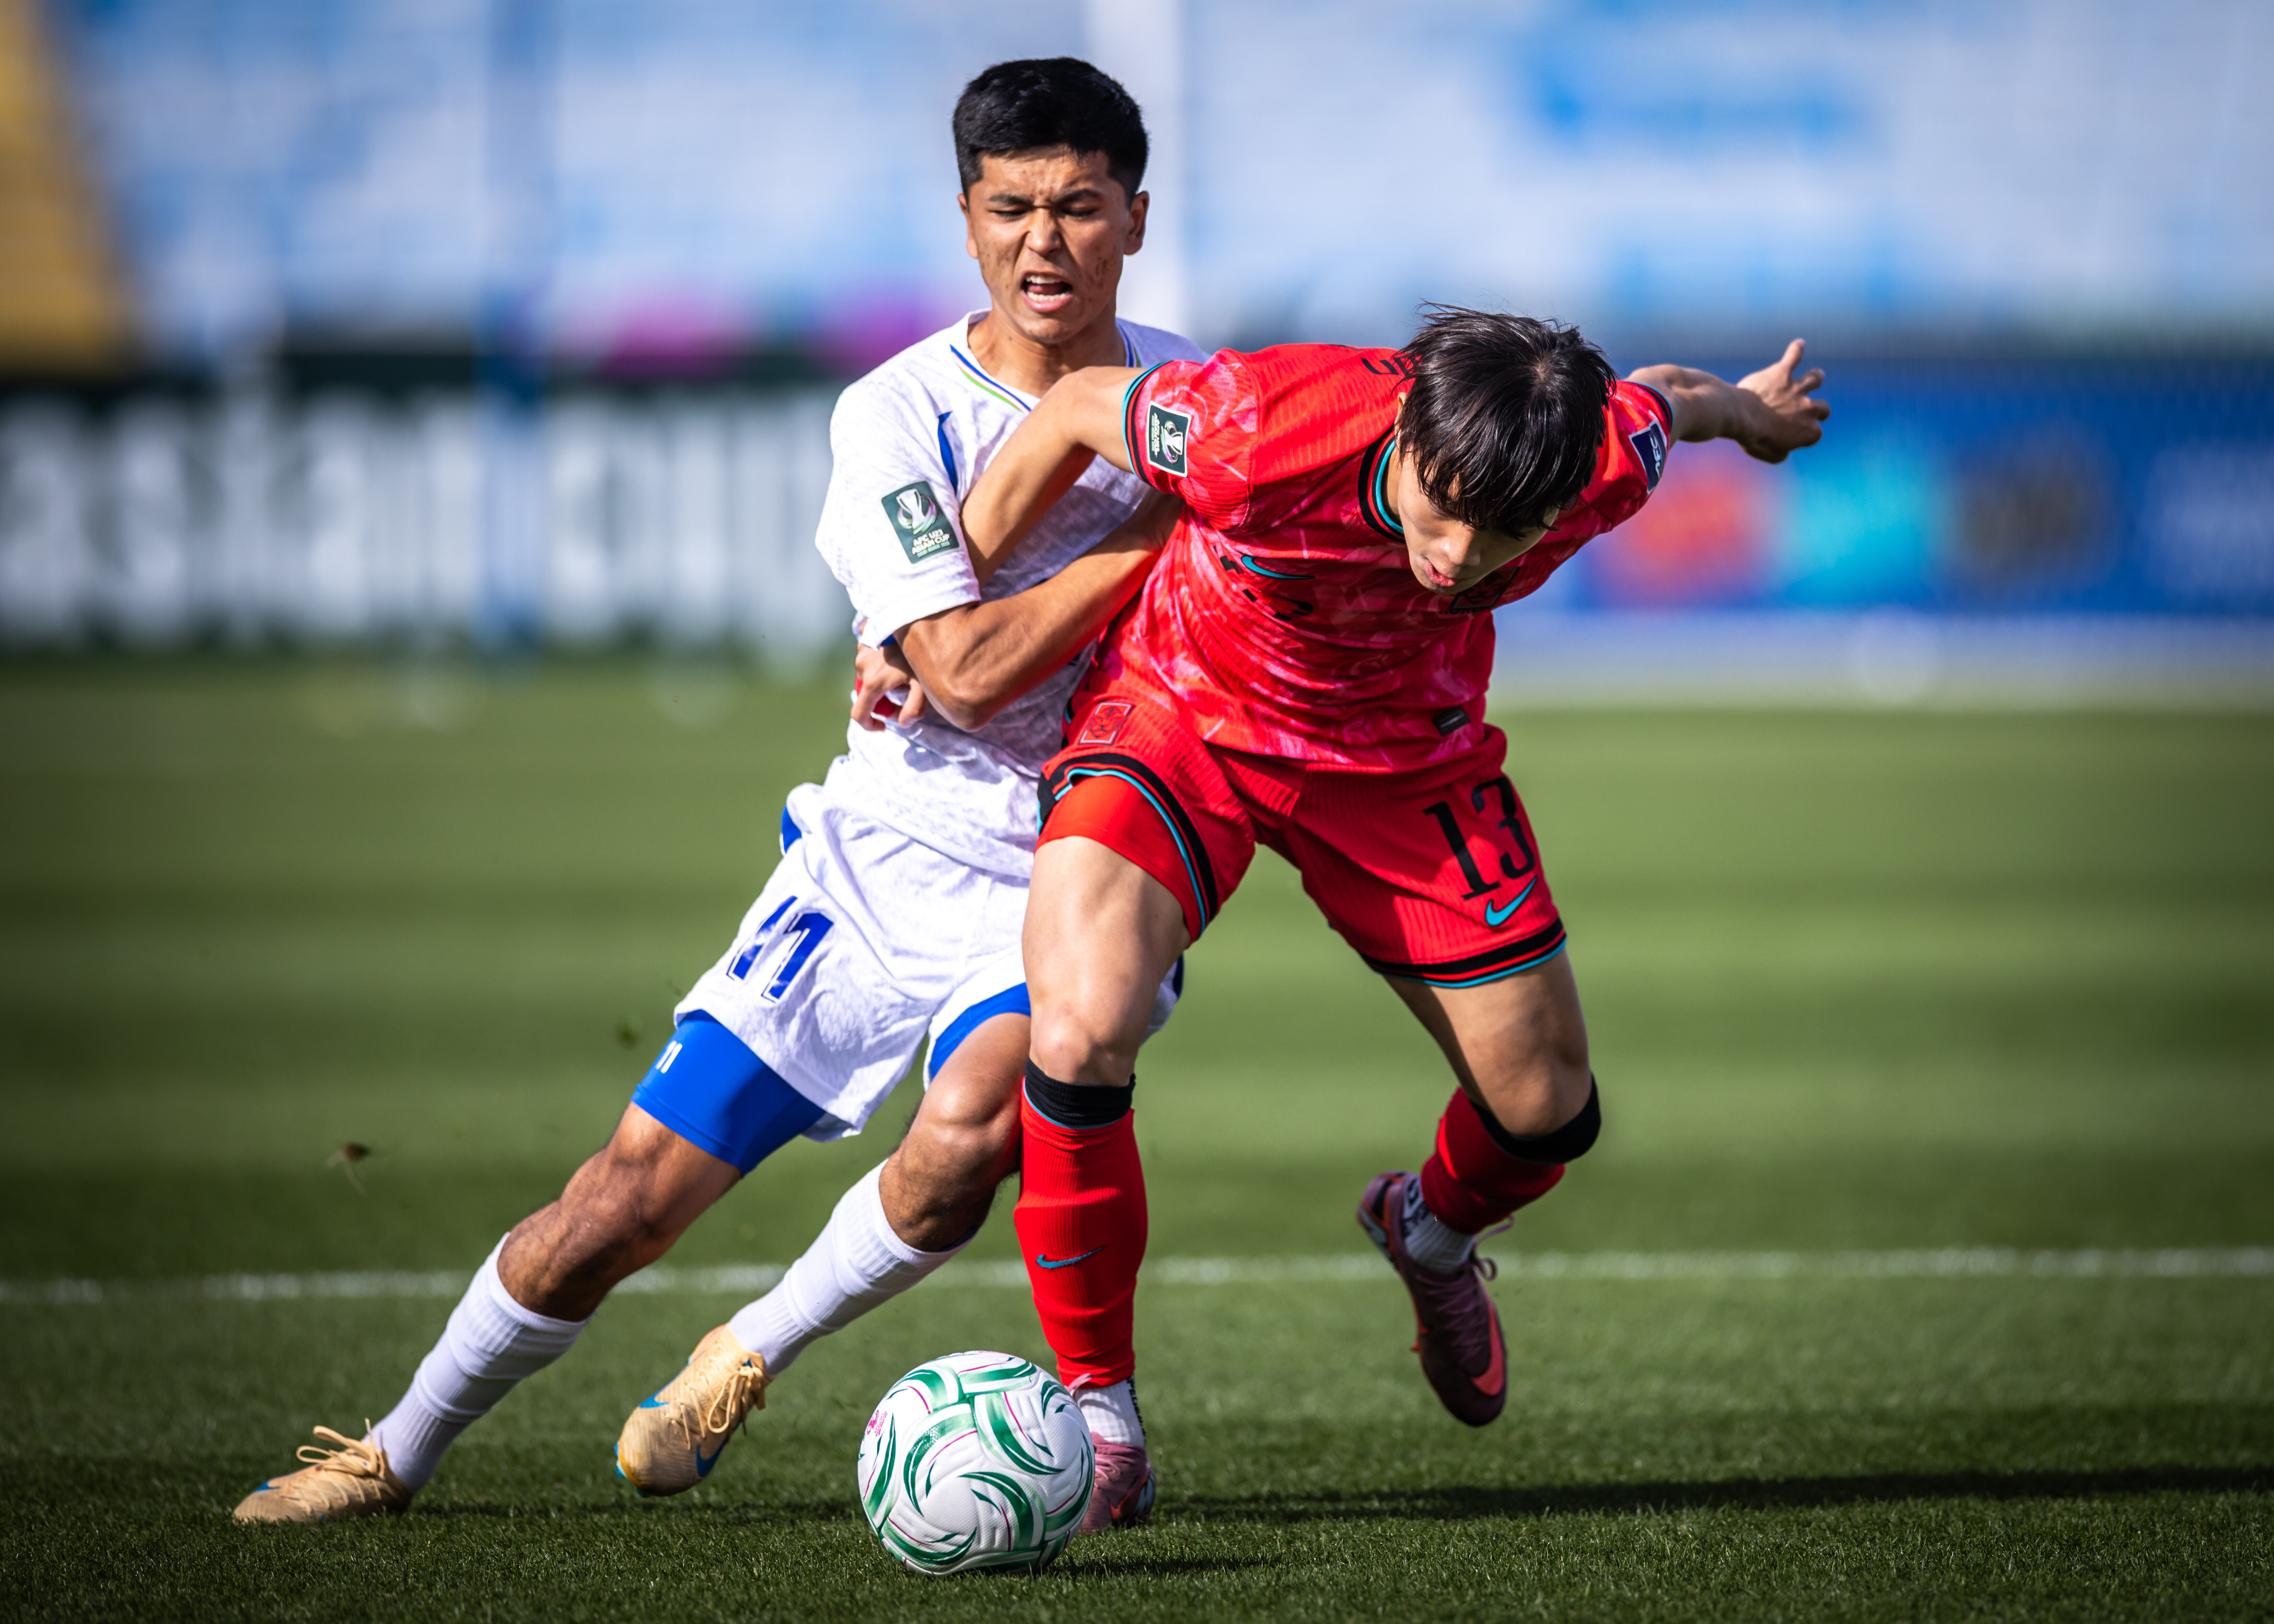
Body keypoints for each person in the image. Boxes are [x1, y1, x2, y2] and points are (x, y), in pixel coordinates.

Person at [231, 56, 1196, 1530]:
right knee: (615, 1202)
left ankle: (741, 1353)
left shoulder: (1198, 401)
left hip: (1084, 864)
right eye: (1011, 209)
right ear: (964, 217)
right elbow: (961, 672)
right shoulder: (896, 413)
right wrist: (1159, 544)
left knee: (975, 1136)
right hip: (880, 855)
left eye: (1078, 207)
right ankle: (394, 1450)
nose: (1043, 243)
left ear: (1135, 213)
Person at [938, 308, 1827, 1427]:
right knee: (1075, 1034)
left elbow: (1667, 396)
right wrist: (933, 606)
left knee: (1548, 1108)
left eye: (1502, 534)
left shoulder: (1603, 457)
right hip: (1184, 711)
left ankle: (1429, 1232)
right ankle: (1099, 1416)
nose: (1456, 556)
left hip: (1401, 758)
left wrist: (1751, 415)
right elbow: (1071, 407)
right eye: (1444, 506)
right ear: (1406, 423)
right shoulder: (1255, 426)